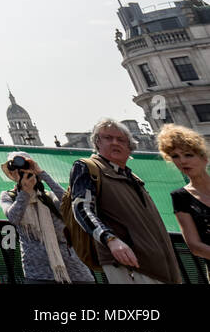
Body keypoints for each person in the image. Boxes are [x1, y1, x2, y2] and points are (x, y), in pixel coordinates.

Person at [69, 118, 181, 284]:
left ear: (130, 147)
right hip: (128, 264)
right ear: (97, 143)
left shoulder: (134, 178)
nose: (115, 142)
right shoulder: (88, 167)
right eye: (108, 138)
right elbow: (82, 208)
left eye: (121, 139)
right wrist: (110, 239)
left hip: (163, 267)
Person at [0, 152, 92, 284]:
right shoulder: (9, 196)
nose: (21, 172)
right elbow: (14, 217)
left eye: (27, 167)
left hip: (73, 268)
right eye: (14, 169)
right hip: (38, 271)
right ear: (11, 174)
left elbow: (69, 203)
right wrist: (25, 192)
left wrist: (42, 174)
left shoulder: (49, 196)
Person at [157, 124, 210, 280]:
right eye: (175, 156)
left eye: (188, 155)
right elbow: (194, 246)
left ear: (204, 158)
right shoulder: (181, 197)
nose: (182, 161)